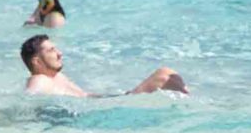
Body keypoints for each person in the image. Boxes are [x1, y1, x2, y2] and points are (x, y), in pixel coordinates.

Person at [20, 35, 187, 97]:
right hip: (89, 118)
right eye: (51, 50)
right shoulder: (39, 79)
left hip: (102, 106)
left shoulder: (56, 77)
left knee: (167, 75)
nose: (59, 53)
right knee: (164, 76)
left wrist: (116, 97)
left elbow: (85, 96)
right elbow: (27, 102)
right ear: (37, 61)